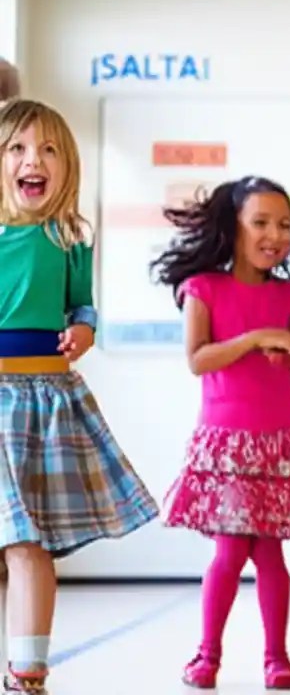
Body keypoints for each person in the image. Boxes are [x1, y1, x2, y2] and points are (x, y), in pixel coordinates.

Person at [151, 176, 290, 691]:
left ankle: (276, 658)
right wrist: (255, 339)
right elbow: (197, 358)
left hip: (278, 443)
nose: (275, 235)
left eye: (284, 225)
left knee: (271, 552)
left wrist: (288, 352)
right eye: (261, 223)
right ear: (232, 227)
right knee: (231, 551)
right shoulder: (203, 289)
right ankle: (207, 654)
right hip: (227, 443)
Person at [0, 99, 158, 695]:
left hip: (43, 402)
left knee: (28, 539)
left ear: (67, 166)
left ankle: (28, 670)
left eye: (47, 150)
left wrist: (86, 329)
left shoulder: (67, 235)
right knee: (14, 539)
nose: (32, 160)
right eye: (16, 148)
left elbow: (81, 304)